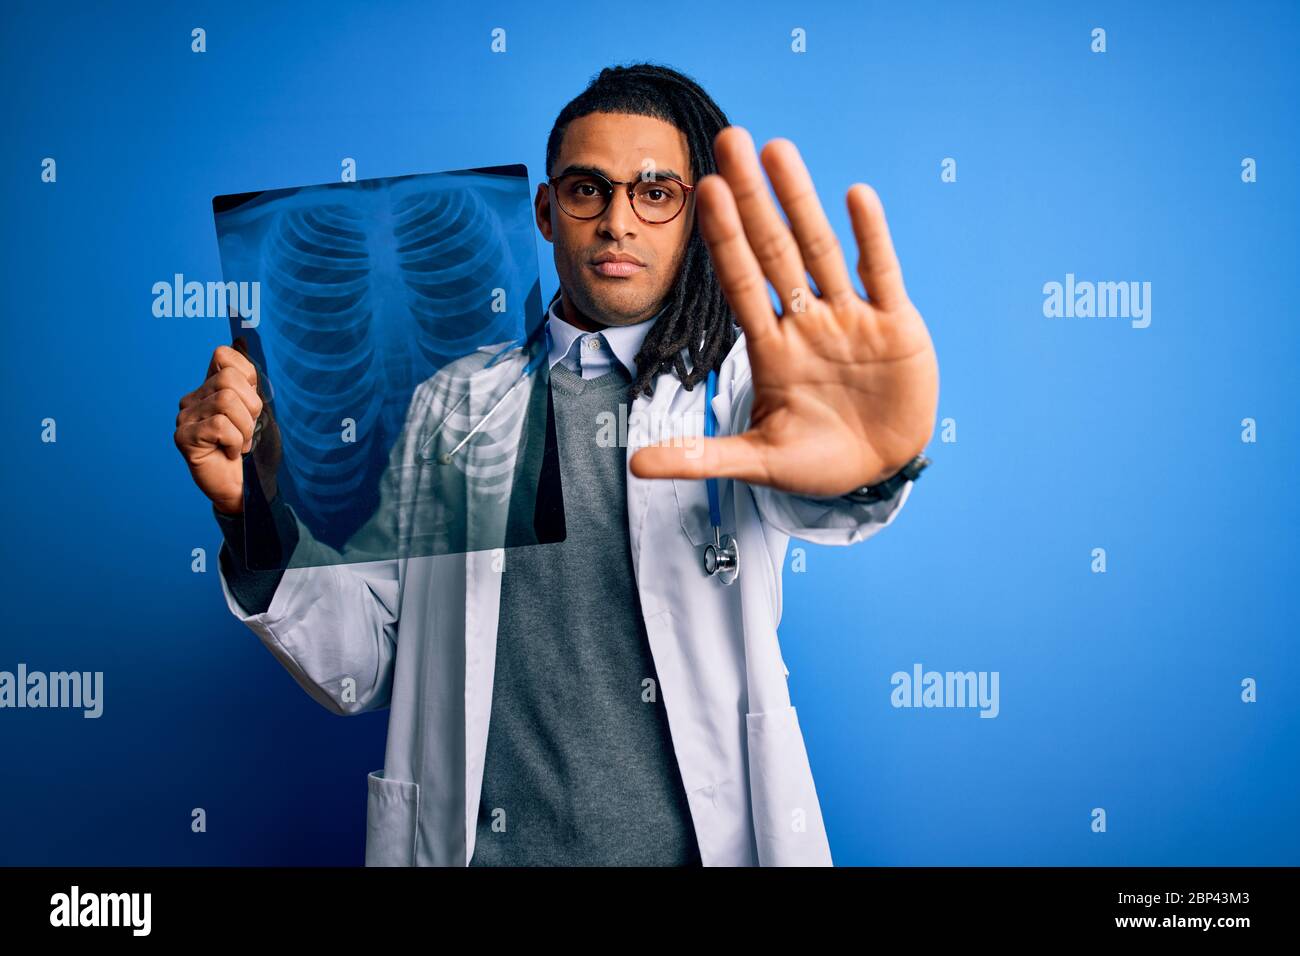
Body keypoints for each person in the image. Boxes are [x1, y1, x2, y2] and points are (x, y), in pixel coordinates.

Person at [173, 63, 939, 866]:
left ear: (695, 216)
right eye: (587, 190)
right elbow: (361, 664)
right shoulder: (451, 404)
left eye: (655, 192)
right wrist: (246, 513)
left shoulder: (745, 390)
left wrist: (871, 464)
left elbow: (825, 495)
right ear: (545, 211)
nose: (617, 221)